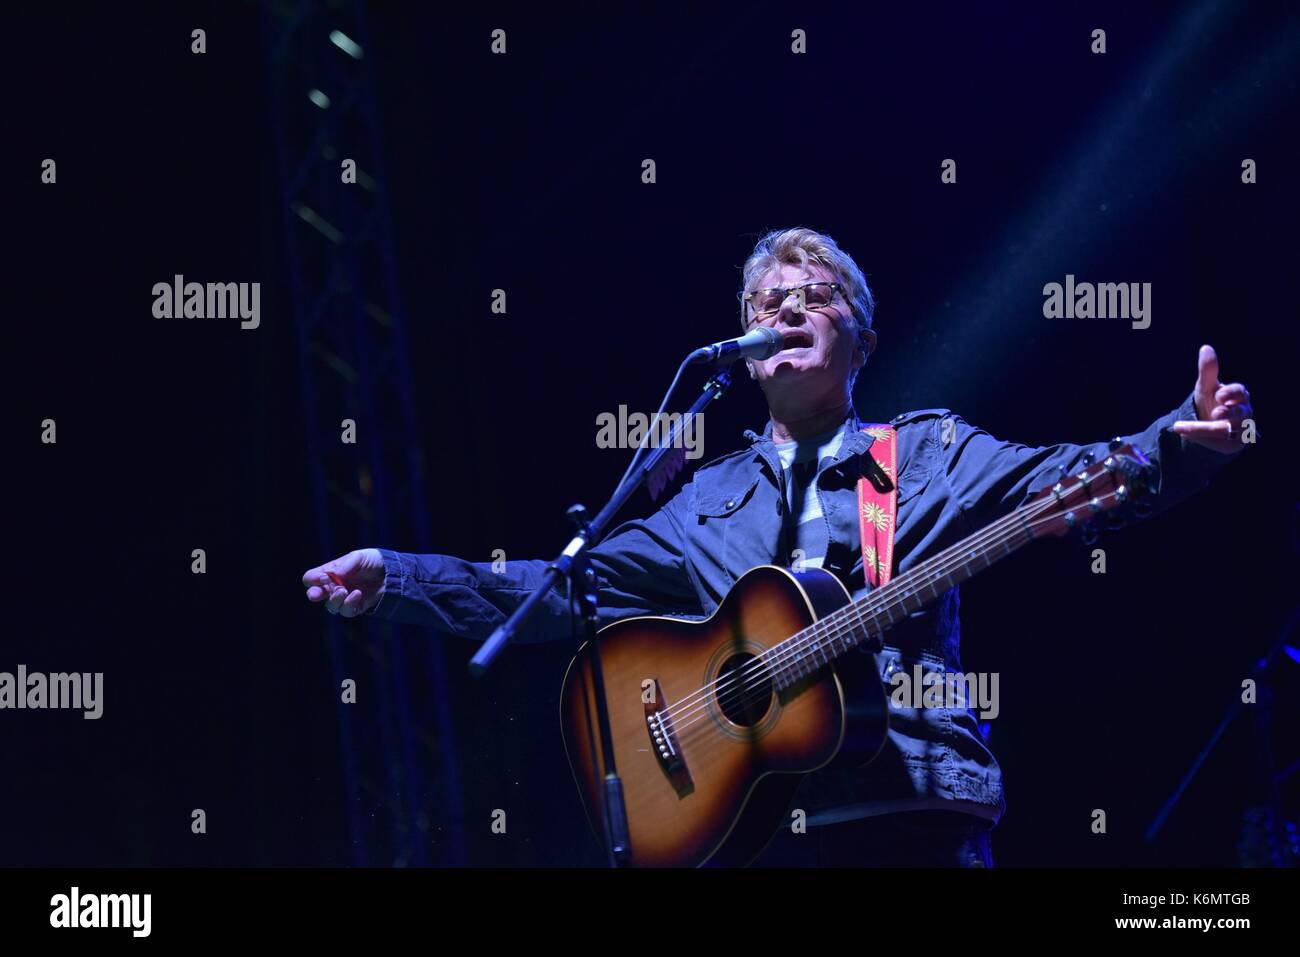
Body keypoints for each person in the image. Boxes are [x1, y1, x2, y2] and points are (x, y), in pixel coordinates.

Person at [302, 227, 1253, 867]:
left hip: (914, 813)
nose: (787, 307)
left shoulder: (927, 453)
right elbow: (559, 590)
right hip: (762, 833)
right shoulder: (705, 501)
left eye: (815, 295)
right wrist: (395, 576)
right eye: (768, 300)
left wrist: (1177, 438)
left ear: (861, 341)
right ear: (748, 351)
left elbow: (1069, 475)